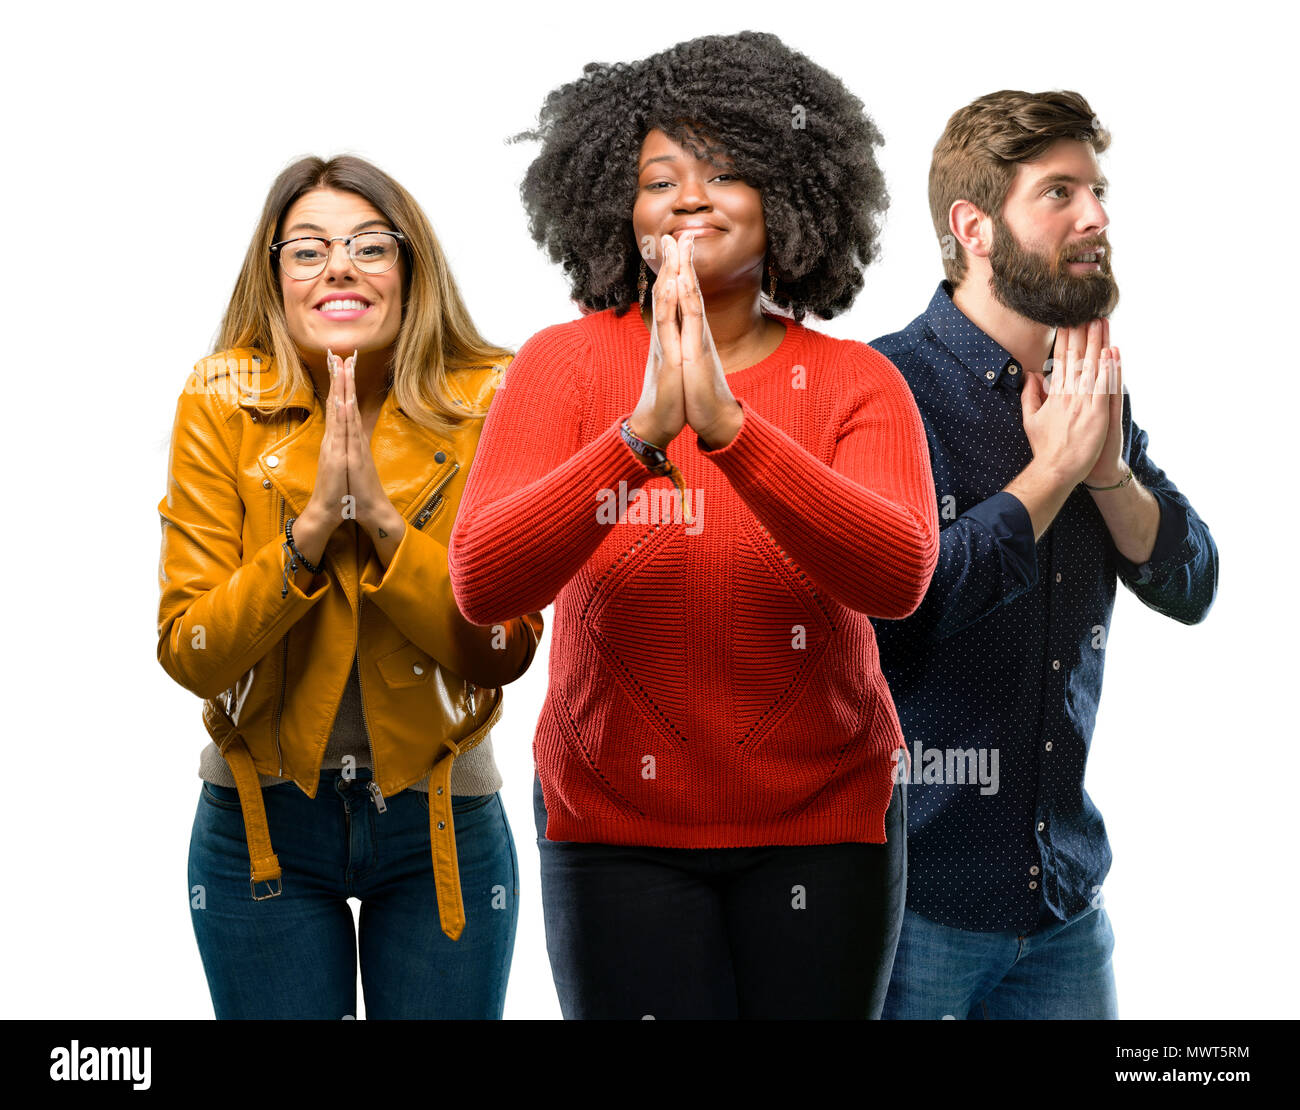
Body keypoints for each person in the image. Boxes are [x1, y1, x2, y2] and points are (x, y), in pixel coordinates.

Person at [448, 31, 939, 1019]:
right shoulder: (561, 366)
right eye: (657, 177)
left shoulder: (855, 382)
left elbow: (896, 577)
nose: (686, 196)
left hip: (823, 832)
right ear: (614, 208)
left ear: (793, 196)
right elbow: (484, 582)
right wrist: (636, 438)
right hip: (613, 834)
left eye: (725, 172)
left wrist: (730, 431)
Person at [156, 154, 544, 1019]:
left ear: (411, 271)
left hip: (443, 819)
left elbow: (506, 646)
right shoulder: (216, 401)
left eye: (371, 245)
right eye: (308, 250)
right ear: (275, 277)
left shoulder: (490, 397)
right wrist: (305, 539)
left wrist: (380, 522)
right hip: (258, 823)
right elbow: (190, 651)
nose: (339, 266)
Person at [869, 90, 1219, 1019]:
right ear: (974, 226)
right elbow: (897, 613)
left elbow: (1194, 583)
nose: (1097, 217)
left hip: (1064, 913)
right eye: (1059, 193)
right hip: (915, 917)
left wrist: (1107, 474)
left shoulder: (1088, 390)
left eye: (1098, 192)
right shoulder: (881, 392)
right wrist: (1052, 474)